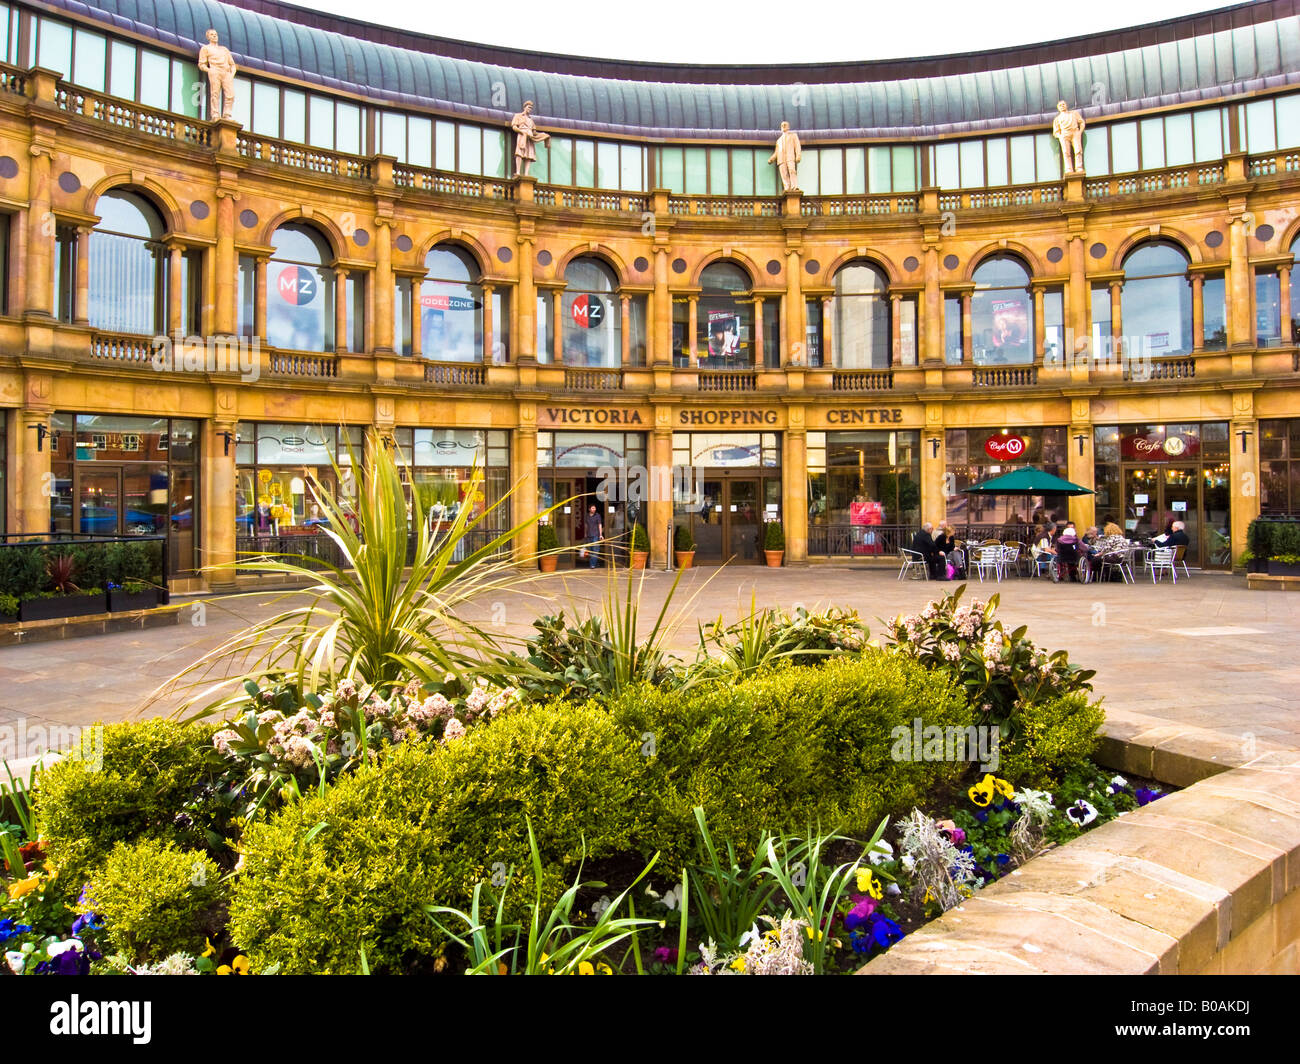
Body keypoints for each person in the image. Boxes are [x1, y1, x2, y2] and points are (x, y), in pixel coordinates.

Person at [198, 29, 237, 120]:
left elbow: (233, 65)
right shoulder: (205, 48)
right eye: (212, 34)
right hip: (215, 71)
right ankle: (215, 114)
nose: (215, 36)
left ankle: (227, 114)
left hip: (226, 72)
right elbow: (201, 64)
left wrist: (231, 75)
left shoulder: (224, 49)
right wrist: (210, 70)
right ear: (208, 37)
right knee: (215, 94)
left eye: (215, 34)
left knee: (231, 95)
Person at [511, 101, 550, 178]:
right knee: (519, 152)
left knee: (529, 154)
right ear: (524, 107)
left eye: (531, 108)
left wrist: (543, 135)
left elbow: (534, 132)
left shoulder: (531, 120)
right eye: (529, 107)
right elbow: (514, 127)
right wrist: (522, 132)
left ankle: (526, 173)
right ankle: (518, 172)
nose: (530, 109)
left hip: (530, 137)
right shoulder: (518, 116)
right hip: (522, 135)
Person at [582, 503, 603, 568]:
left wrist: (600, 535)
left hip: (596, 535)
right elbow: (586, 525)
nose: (594, 509)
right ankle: (595, 563)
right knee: (591, 550)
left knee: (595, 550)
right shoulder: (587, 516)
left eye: (594, 508)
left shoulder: (597, 515)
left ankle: (592, 564)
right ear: (589, 509)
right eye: (593, 508)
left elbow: (600, 525)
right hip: (589, 535)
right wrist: (585, 533)